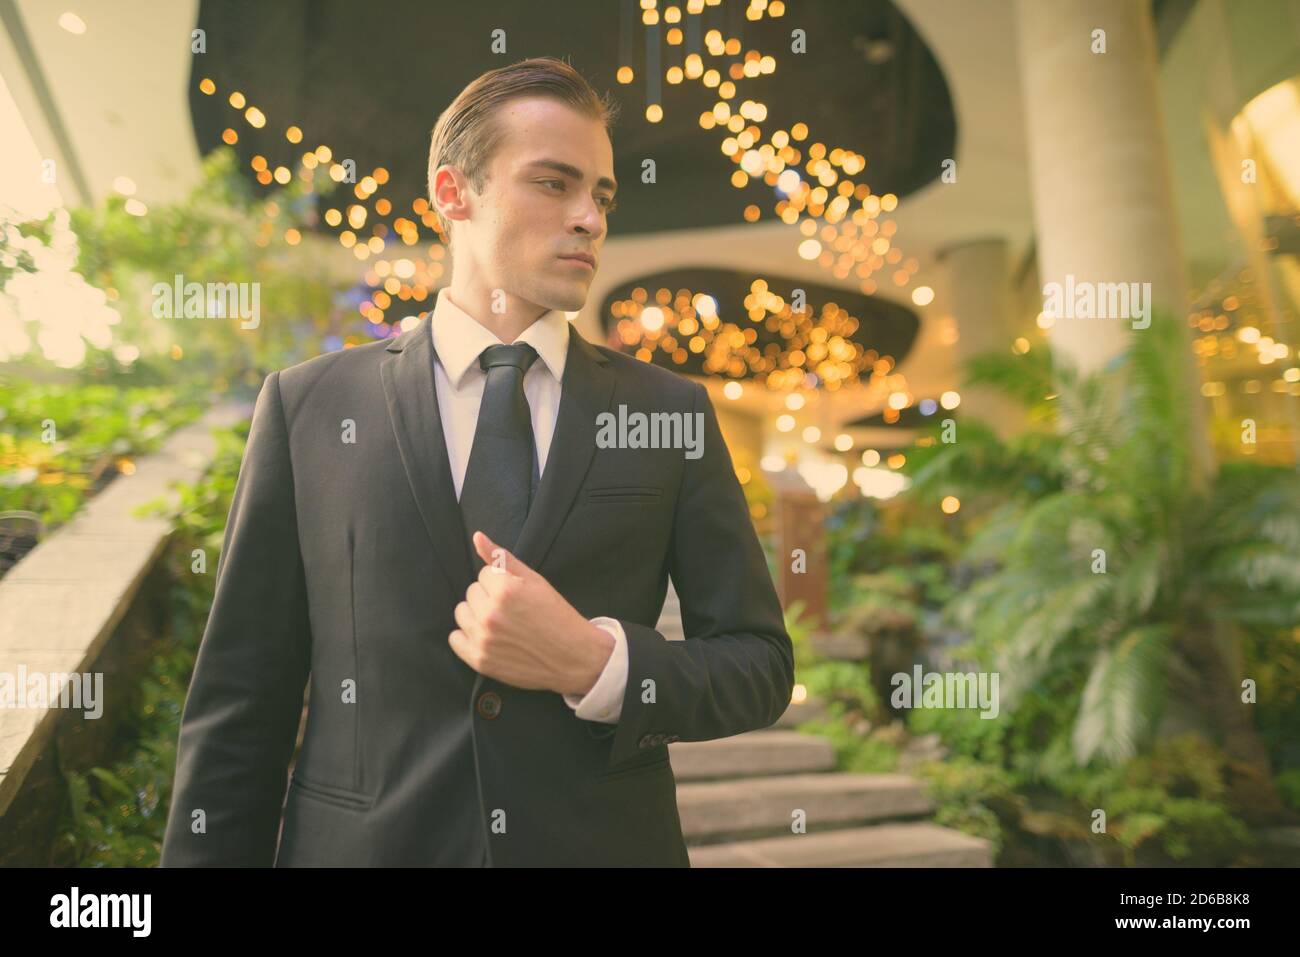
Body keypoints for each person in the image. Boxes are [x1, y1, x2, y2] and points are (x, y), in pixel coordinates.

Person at [160, 56, 794, 867]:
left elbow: (759, 664)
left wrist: (596, 663)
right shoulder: (309, 407)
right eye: (553, 184)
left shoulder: (668, 411)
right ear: (454, 193)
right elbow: (241, 703)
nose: (589, 218)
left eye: (600, 194)